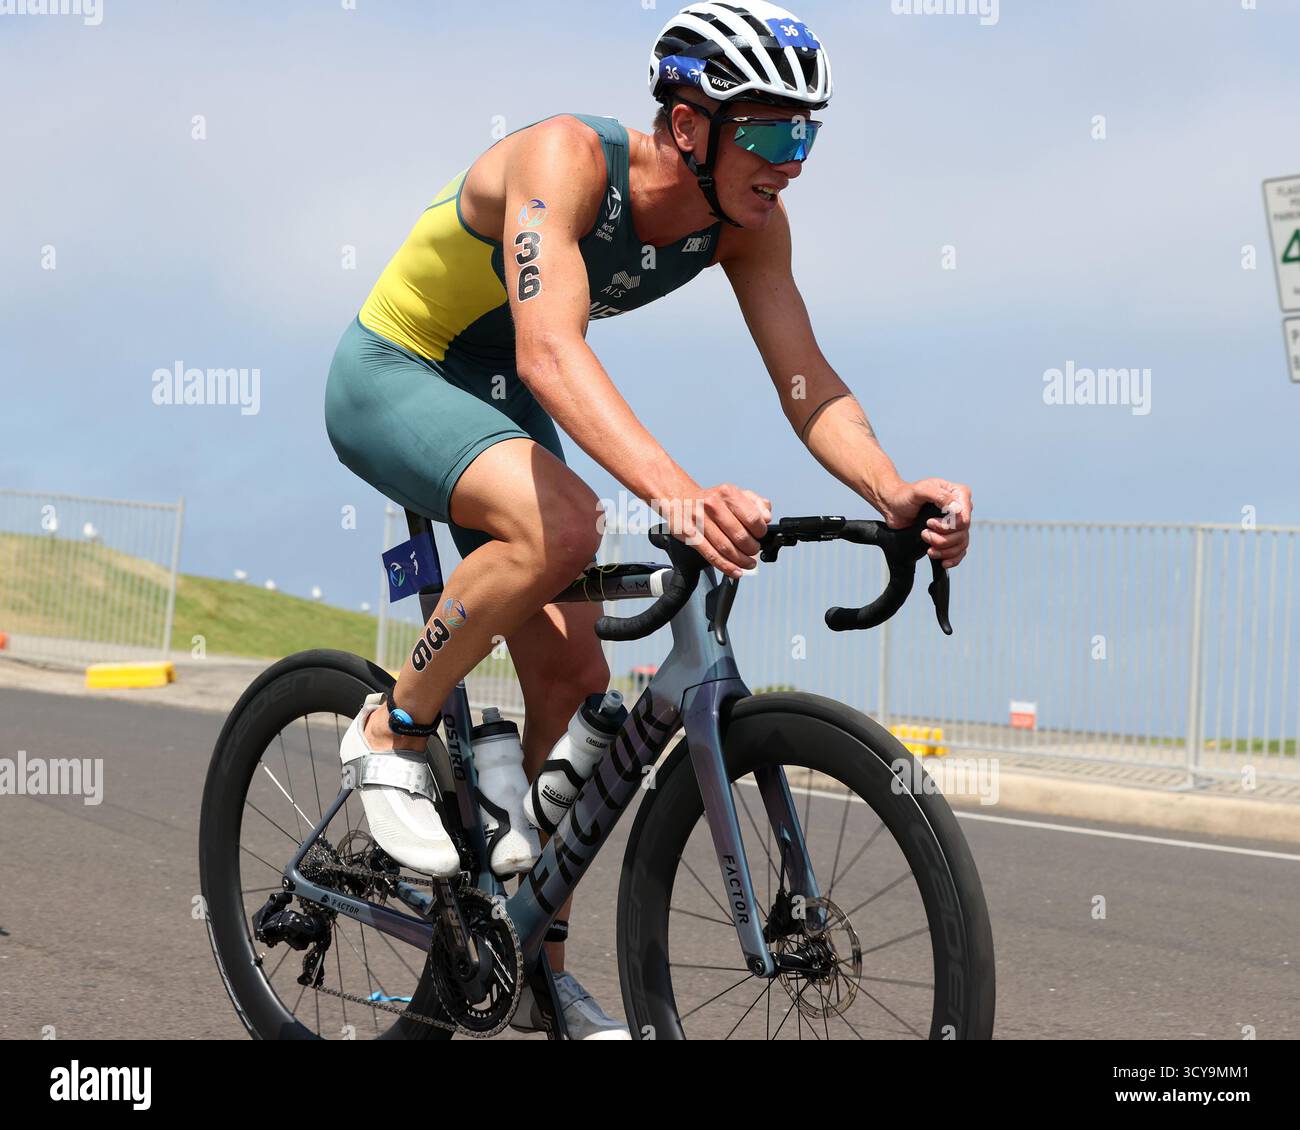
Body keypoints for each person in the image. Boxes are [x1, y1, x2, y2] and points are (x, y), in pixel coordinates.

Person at [324, 0, 972, 1039]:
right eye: (766, 129)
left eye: (804, 133)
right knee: (569, 529)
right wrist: (679, 492)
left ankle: (529, 963)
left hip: (494, 398)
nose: (790, 159)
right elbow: (548, 351)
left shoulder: (747, 221)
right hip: (397, 370)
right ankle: (390, 724)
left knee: (577, 685)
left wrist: (892, 490)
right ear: (686, 125)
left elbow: (803, 380)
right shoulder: (564, 158)